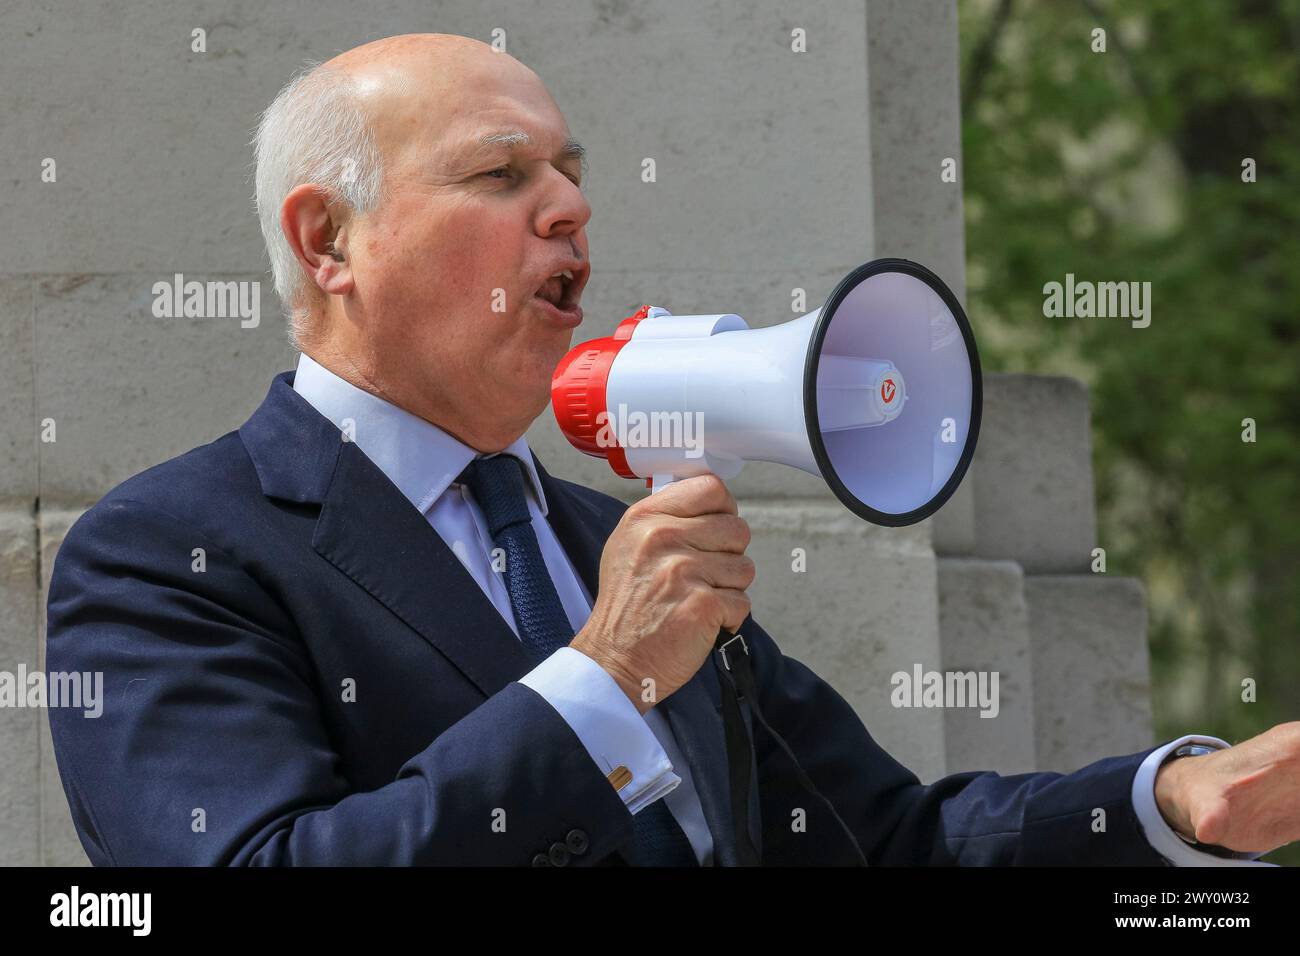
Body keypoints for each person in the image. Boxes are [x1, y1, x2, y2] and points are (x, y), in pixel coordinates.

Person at [44, 33, 1299, 866]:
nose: (571, 205)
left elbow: (885, 838)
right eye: (499, 171)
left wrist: (1171, 800)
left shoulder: (606, 545)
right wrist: (603, 676)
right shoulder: (173, 550)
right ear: (327, 243)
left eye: (573, 173)